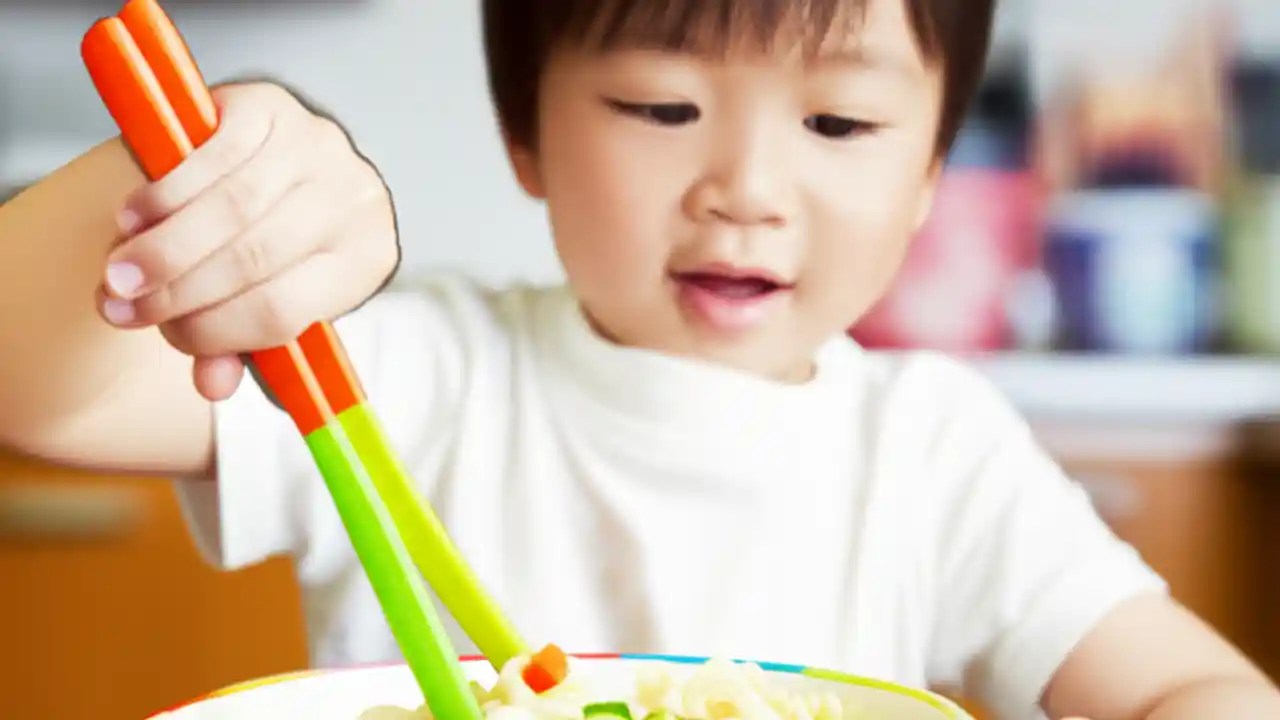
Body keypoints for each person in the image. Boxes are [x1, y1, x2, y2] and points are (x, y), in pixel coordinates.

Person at [1, 1, 1277, 718]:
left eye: (837, 120)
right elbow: (32, 383)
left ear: (930, 171)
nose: (744, 190)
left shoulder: (937, 452)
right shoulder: (422, 376)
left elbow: (1180, 687)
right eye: (660, 108)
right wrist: (186, 182)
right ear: (526, 137)